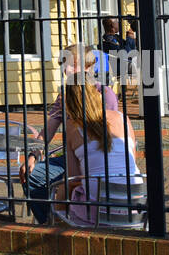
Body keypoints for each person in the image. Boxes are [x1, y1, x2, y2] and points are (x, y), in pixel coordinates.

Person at [20, 43, 119, 223]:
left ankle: (65, 220)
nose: (67, 69)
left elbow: (112, 137)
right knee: (31, 173)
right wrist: (33, 154)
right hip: (71, 157)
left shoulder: (105, 95)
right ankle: (49, 222)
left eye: (73, 64)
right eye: (65, 64)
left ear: (89, 67)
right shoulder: (64, 96)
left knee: (69, 183)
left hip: (96, 160)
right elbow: (48, 130)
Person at [59, 80, 142, 225]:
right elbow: (132, 160)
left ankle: (54, 227)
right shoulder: (123, 118)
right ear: (97, 94)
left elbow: (74, 178)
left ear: (69, 103)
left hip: (98, 213)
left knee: (65, 193)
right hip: (135, 207)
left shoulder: (73, 127)